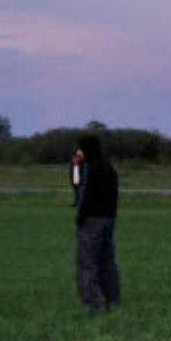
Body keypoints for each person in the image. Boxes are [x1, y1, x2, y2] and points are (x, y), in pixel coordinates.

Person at [74, 134, 121, 314]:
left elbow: (84, 195)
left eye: (80, 148)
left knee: (87, 264)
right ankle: (114, 301)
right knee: (107, 262)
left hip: (91, 222)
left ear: (87, 149)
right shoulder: (109, 167)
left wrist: (80, 218)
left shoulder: (91, 168)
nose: (78, 152)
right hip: (109, 220)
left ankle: (92, 305)